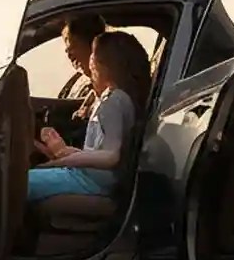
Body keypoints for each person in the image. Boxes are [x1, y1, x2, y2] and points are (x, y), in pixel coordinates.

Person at [27, 30, 151, 204]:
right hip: (94, 177)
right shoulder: (118, 98)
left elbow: (111, 156)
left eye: (94, 59)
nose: (90, 64)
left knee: (21, 184)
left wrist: (62, 162)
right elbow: (101, 152)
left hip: (92, 181)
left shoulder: (114, 101)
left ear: (105, 66)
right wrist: (66, 153)